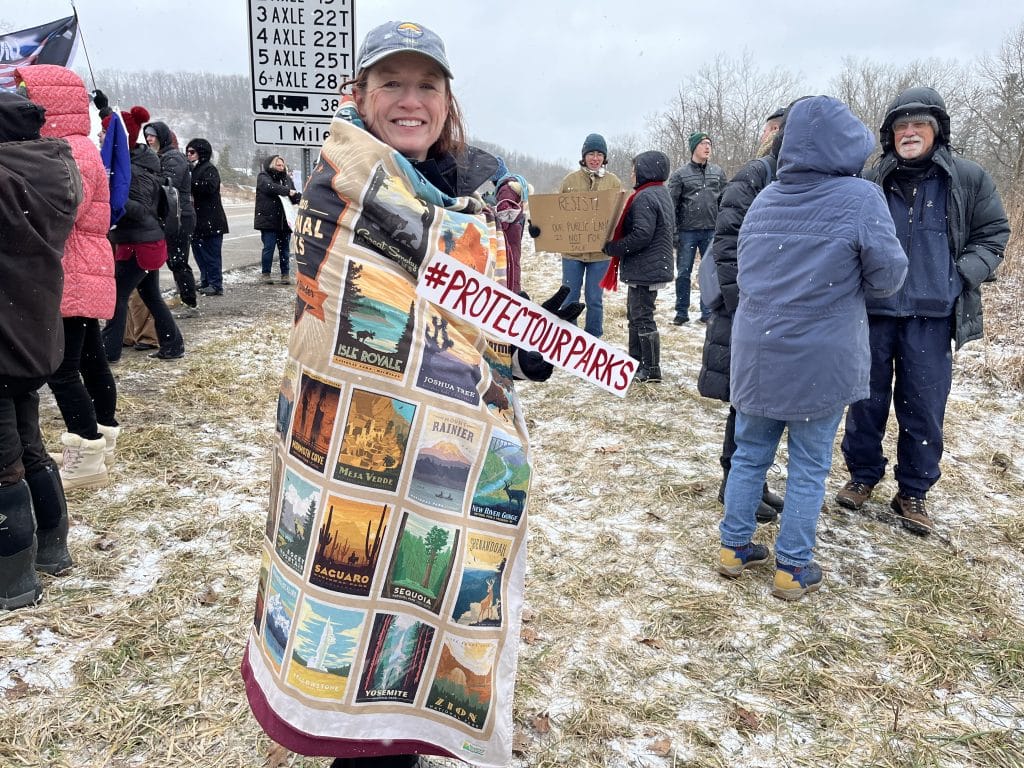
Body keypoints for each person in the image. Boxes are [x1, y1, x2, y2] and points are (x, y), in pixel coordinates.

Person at [241, 20, 578, 768]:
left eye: (427, 85)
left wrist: (528, 342)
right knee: (353, 604)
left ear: (447, 100)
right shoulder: (340, 189)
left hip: (442, 459)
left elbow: (467, 318)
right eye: (391, 82)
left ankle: (402, 733)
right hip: (354, 446)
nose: (410, 100)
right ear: (358, 95)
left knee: (421, 604)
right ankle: (366, 746)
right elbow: (352, 323)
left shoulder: (471, 202)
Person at [717, 96, 907, 600]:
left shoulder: (766, 197)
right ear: (846, 144)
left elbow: (745, 268)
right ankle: (792, 567)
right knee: (808, 464)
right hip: (821, 356)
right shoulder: (861, 198)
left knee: (749, 453)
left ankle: (733, 548)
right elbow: (889, 276)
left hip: (758, 349)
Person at [836, 86, 1010, 534]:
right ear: (889, 134)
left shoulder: (967, 179)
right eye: (901, 126)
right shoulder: (871, 180)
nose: (909, 133)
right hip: (873, 312)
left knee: (924, 407)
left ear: (937, 131)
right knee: (865, 400)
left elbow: (994, 234)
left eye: (919, 125)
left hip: (932, 317)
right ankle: (862, 475)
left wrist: (960, 274)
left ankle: (913, 492)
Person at [15, 65, 121, 491]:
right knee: (90, 358)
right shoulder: (77, 146)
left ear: (50, 103)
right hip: (83, 264)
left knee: (62, 369)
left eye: (28, 95)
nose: (23, 103)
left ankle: (87, 454)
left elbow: (64, 209)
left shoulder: (69, 150)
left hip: (73, 267)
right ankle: (102, 439)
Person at [0, 89, 82, 609]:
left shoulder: (5, 180)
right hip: (31, 331)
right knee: (28, 443)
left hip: (5, 332)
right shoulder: (53, 170)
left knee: (3, 459)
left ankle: (12, 577)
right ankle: (53, 545)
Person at [697, 106, 796, 524]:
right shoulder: (757, 174)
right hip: (743, 308)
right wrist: (744, 305)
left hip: (770, 309)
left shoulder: (796, 177)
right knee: (745, 399)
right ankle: (734, 481)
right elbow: (727, 244)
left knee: (763, 400)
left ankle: (754, 481)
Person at [101, 108, 185, 362]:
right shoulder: (132, 163)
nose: (101, 136)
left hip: (140, 244)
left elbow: (140, 209)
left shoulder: (133, 170)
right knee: (151, 296)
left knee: (117, 297)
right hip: (141, 241)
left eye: (105, 132)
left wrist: (113, 201)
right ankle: (173, 345)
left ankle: (109, 352)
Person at [601, 150, 674, 383]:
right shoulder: (660, 192)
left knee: (642, 316)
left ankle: (650, 368)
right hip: (651, 266)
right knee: (636, 315)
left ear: (645, 171)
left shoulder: (645, 197)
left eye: (635, 170)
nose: (632, 174)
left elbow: (642, 234)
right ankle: (636, 362)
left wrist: (615, 247)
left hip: (646, 268)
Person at [558, 133, 622, 337]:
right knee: (569, 297)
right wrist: (541, 229)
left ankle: (594, 338)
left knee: (594, 299)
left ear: (604, 157)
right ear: (584, 156)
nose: (595, 158)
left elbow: (620, 214)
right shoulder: (570, 181)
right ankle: (568, 336)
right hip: (572, 252)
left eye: (599, 154)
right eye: (591, 154)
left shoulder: (613, 182)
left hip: (601, 254)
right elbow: (555, 213)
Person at [667, 131, 726, 325]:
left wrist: (723, 228)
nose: (707, 147)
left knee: (709, 273)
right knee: (684, 273)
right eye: (703, 143)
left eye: (709, 143)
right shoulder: (680, 175)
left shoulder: (718, 172)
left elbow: (724, 202)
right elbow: (672, 206)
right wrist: (674, 233)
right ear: (694, 148)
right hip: (687, 232)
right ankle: (681, 312)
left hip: (711, 231)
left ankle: (708, 312)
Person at [145, 121, 199, 317]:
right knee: (173, 260)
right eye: (147, 136)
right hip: (172, 214)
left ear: (162, 137)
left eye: (153, 136)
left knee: (178, 260)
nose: (149, 139)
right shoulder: (162, 156)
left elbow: (169, 183)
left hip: (180, 215)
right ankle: (182, 295)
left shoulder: (173, 157)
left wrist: (146, 177)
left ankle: (189, 303)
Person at [186, 138, 229, 296]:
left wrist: (190, 184)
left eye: (192, 152)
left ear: (201, 153)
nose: (189, 155)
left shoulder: (209, 169)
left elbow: (210, 187)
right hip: (198, 221)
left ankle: (215, 284)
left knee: (211, 255)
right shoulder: (193, 169)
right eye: (187, 152)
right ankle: (206, 281)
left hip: (211, 220)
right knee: (200, 255)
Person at [254, 154, 300, 285]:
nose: (281, 167)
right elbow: (270, 187)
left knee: (285, 250)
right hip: (268, 221)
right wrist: (287, 191)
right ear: (271, 165)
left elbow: (292, 195)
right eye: (278, 165)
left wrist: (299, 197)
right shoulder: (263, 177)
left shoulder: (286, 179)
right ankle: (266, 274)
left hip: (284, 220)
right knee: (269, 248)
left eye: (282, 165)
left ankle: (285, 275)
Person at [488, 156, 529, 294]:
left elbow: (506, 212)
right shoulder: (514, 183)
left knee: (509, 263)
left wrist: (494, 219)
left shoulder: (505, 189)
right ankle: (514, 290)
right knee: (514, 262)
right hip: (516, 229)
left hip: (509, 232)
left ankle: (512, 293)